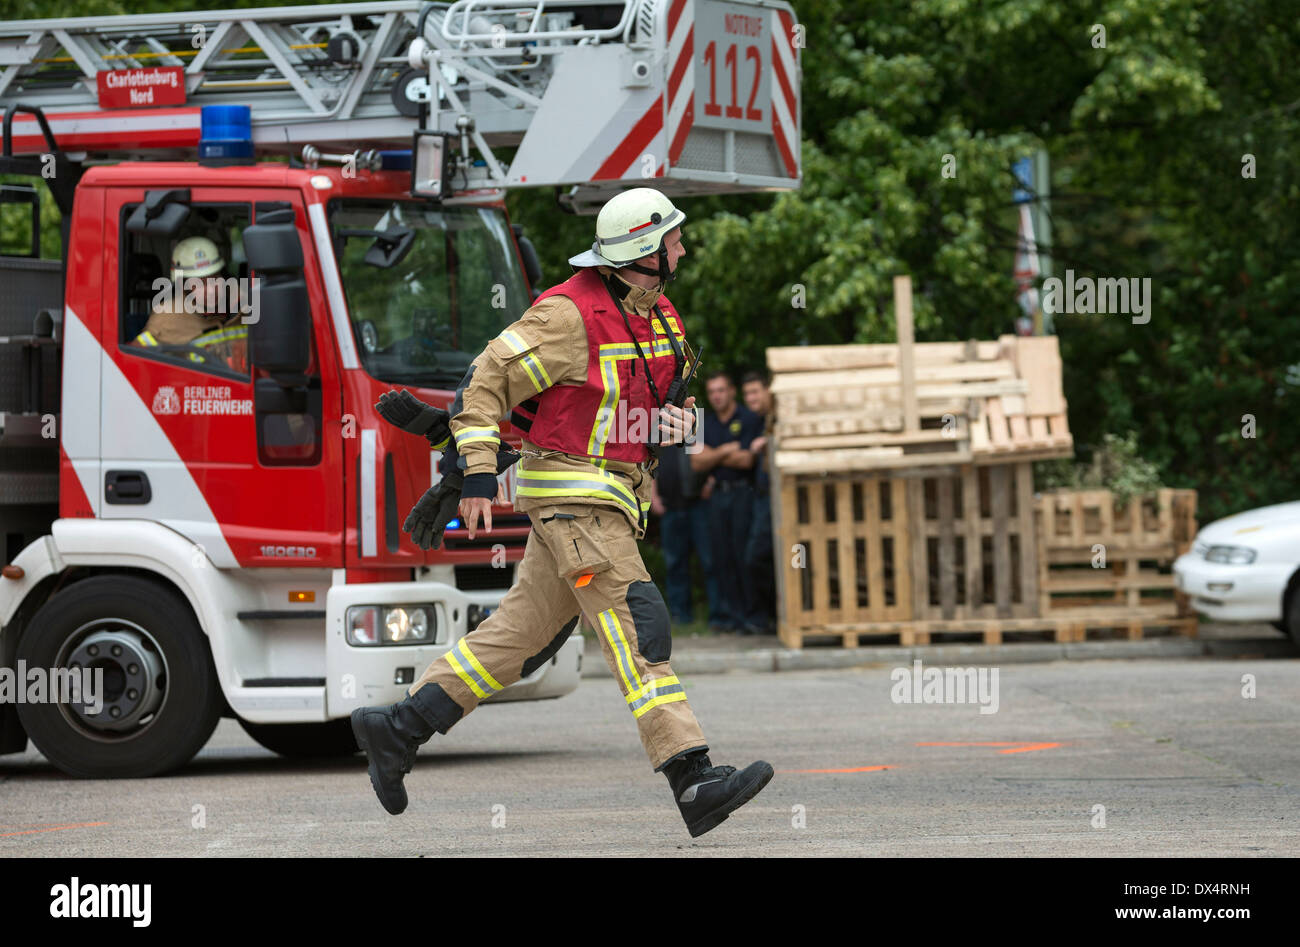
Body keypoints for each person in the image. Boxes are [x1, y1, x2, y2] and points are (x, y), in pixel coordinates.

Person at [350, 187, 773, 838]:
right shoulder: (569, 314)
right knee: (640, 626)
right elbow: (492, 379)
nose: (683, 247)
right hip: (578, 505)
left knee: (514, 641)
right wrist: (474, 470)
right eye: (673, 238)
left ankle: (399, 728)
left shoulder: (662, 318)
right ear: (643, 250)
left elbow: (618, 412)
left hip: (610, 499)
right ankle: (693, 776)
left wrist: (678, 425)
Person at [691, 372, 766, 634]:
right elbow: (696, 462)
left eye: (721, 390)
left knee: (744, 554)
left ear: (732, 391)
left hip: (743, 493)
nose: (716, 396)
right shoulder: (705, 423)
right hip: (717, 496)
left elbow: (747, 460)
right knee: (721, 556)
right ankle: (732, 618)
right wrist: (726, 451)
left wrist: (712, 454)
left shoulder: (749, 418)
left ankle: (754, 616)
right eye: (712, 392)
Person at [131, 235, 248, 373]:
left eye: (215, 278)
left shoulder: (246, 304)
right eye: (199, 283)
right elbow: (135, 361)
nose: (211, 290)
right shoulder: (166, 318)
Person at [651, 443, 723, 627]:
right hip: (670, 507)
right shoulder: (657, 429)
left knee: (710, 562)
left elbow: (712, 456)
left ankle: (718, 615)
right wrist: (654, 497)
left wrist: (712, 480)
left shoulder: (694, 424)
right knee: (675, 564)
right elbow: (649, 463)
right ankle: (680, 615)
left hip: (698, 505)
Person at [740, 371, 776, 633]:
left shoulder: (779, 419)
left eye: (755, 392)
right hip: (761, 496)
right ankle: (767, 618)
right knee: (755, 557)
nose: (750, 398)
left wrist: (771, 442)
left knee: (763, 557)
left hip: (779, 498)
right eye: (747, 394)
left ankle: (771, 616)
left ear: (768, 390)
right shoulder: (760, 420)